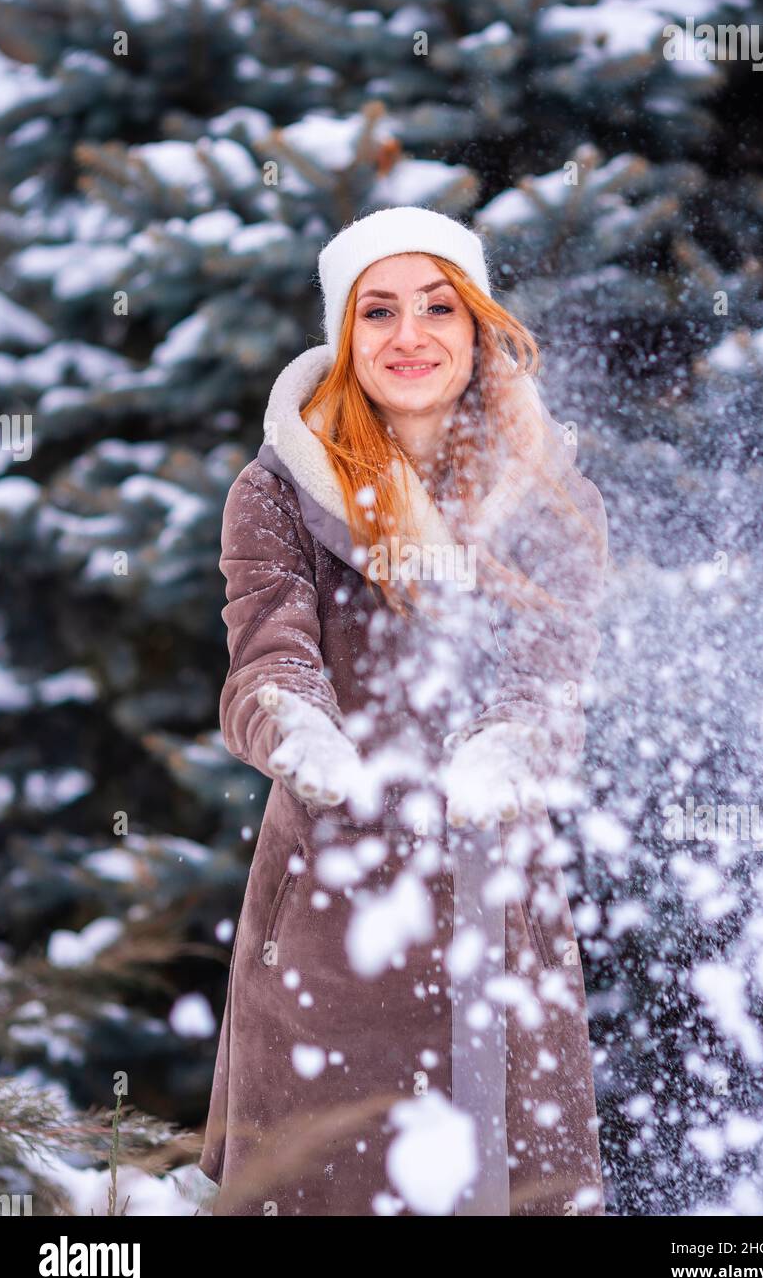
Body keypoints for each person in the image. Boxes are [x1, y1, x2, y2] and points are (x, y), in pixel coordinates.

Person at [199, 205, 610, 1216]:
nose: (410, 335)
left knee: (505, 1187)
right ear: (345, 337)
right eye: (377, 311)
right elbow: (267, 658)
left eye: (439, 307)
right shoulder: (279, 491)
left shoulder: (552, 497)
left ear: (477, 327)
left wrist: (512, 745)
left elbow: (553, 671)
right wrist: (304, 736)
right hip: (329, 909)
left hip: (499, 905)